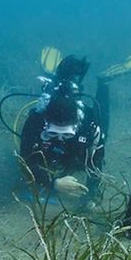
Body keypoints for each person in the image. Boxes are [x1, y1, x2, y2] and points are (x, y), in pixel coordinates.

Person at [18, 54, 107, 198]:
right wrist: (53, 183)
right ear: (45, 126)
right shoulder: (36, 122)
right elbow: (25, 160)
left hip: (78, 136)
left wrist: (92, 195)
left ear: (76, 127)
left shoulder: (87, 126)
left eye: (66, 134)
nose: (60, 139)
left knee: (102, 127)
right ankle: (58, 78)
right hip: (51, 139)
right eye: (52, 133)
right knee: (58, 88)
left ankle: (104, 84)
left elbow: (96, 161)